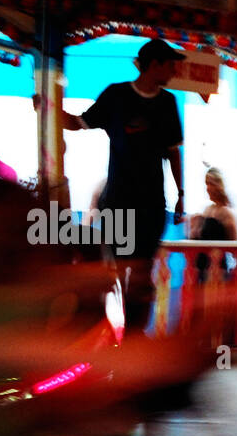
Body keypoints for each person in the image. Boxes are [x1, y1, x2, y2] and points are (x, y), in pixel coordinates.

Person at [57, 37, 186, 330]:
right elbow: (80, 123)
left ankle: (135, 336)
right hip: (118, 201)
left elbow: (173, 152)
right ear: (155, 65)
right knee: (117, 272)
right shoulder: (116, 96)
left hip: (152, 204)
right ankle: (113, 335)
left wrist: (180, 193)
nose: (175, 72)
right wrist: (50, 110)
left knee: (142, 273)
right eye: (171, 65)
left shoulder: (167, 103)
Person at [190, 167, 237, 241]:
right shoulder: (207, 209)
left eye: (211, 184)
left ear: (218, 185)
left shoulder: (226, 213)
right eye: (206, 184)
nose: (207, 188)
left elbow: (234, 243)